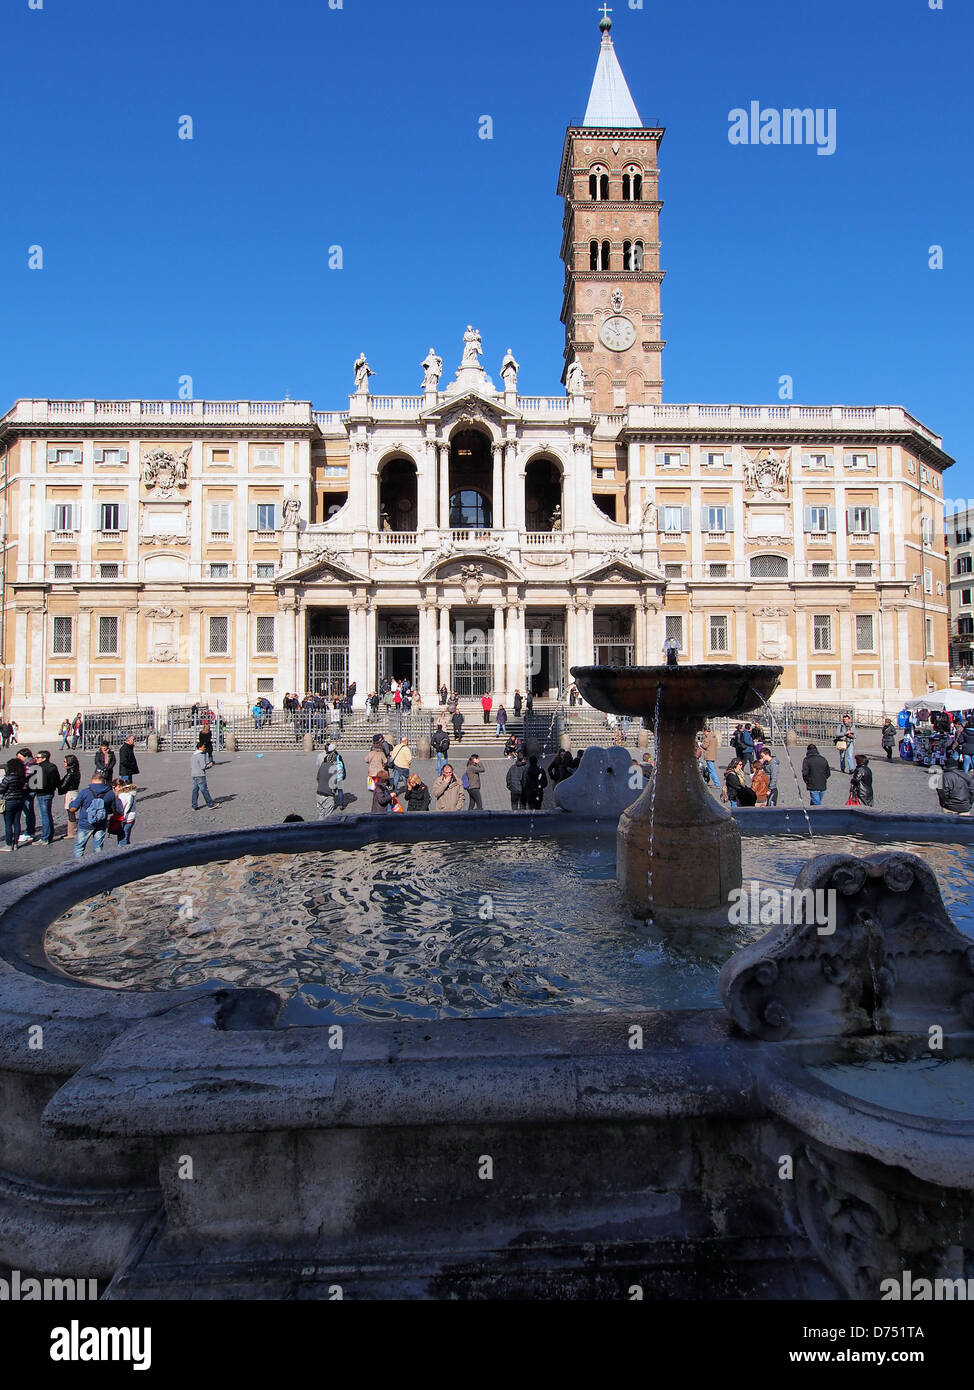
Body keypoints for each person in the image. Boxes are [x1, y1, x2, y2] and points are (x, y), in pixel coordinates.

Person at [72, 771, 121, 859]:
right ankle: (97, 866)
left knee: (79, 848)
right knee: (98, 848)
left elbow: (73, 808)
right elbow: (113, 810)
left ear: (92, 781)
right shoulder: (110, 793)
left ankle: (76, 867)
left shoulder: (85, 792)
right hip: (101, 823)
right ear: (103, 781)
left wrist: (71, 803)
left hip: (85, 823)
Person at [31, 750, 62, 844]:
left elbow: (37, 783)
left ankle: (45, 838)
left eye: (38, 757)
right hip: (50, 792)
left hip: (42, 794)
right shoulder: (52, 767)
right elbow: (57, 780)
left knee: (45, 816)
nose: (36, 759)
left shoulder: (39, 768)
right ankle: (49, 835)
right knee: (47, 815)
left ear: (44, 758)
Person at [0, 758, 28, 851]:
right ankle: (15, 843)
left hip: (9, 801)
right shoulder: (22, 777)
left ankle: (8, 844)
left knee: (8, 823)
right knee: (17, 822)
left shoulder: (8, 778)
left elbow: (2, 789)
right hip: (19, 800)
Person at [190, 740, 216, 810]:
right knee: (204, 790)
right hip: (200, 775)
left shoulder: (193, 755)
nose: (205, 748)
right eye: (204, 747)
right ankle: (210, 804)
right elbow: (203, 766)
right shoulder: (201, 755)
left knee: (195, 790)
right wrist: (210, 765)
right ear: (200, 747)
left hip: (194, 774)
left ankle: (194, 805)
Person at [60, 754, 81, 838]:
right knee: (70, 812)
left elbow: (64, 785)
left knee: (70, 812)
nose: (64, 763)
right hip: (74, 791)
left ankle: (72, 832)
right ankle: (71, 831)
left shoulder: (71, 773)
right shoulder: (75, 770)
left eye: (65, 761)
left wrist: (60, 787)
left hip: (71, 793)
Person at [112, 778, 137, 845]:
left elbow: (120, 809)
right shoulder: (131, 792)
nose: (114, 789)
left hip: (125, 819)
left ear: (118, 786)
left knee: (122, 840)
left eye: (114, 788)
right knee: (126, 838)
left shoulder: (123, 795)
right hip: (131, 817)